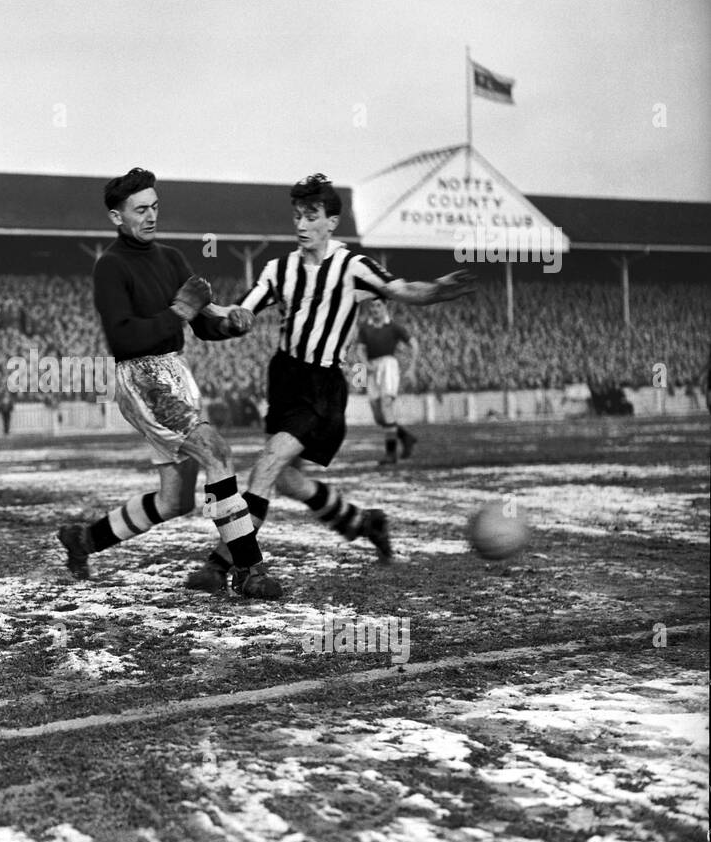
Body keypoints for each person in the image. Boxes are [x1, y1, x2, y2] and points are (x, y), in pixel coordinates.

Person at [185, 173, 475, 591]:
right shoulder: (277, 269)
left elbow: (401, 288)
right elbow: (239, 314)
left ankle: (224, 564)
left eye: (312, 215)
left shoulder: (352, 266)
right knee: (288, 479)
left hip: (322, 386)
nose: (302, 224)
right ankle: (363, 522)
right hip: (284, 378)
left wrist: (438, 291)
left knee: (266, 464)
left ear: (331, 221)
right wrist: (216, 317)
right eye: (297, 215)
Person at [56, 167, 282, 598]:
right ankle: (249, 570)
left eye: (155, 206)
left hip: (176, 372)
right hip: (142, 377)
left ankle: (84, 539)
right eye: (140, 209)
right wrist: (179, 310)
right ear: (116, 217)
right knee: (217, 451)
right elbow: (123, 337)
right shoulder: (110, 266)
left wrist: (232, 323)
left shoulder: (172, 258)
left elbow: (203, 322)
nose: (150, 215)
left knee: (174, 501)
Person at [355, 299, 419, 465]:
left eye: (378, 306)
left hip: (388, 365)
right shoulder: (364, 328)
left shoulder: (394, 327)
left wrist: (412, 368)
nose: (375, 309)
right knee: (379, 417)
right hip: (371, 368)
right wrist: (361, 374)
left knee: (386, 405)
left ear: (385, 307)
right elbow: (360, 350)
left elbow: (414, 344)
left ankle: (391, 454)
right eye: (372, 306)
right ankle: (406, 437)